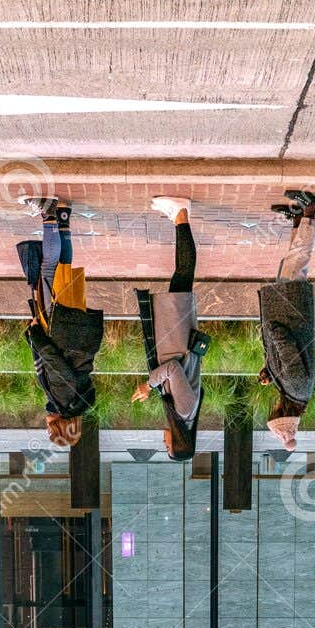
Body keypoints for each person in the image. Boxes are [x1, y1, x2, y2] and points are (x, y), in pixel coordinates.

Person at [17, 196, 103, 447]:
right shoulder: (64, 399)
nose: (45, 426)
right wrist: (35, 335)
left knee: (64, 270)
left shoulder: (77, 402)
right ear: (59, 426)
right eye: (49, 431)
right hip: (58, 329)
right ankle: (49, 215)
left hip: (75, 330)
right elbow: (54, 362)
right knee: (49, 269)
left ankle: (63, 217)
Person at [132, 197, 209, 460]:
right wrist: (148, 386)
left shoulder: (183, 414)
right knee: (183, 274)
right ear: (178, 441)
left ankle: (179, 217)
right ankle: (181, 213)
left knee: (181, 277)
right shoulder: (186, 411)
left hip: (175, 336)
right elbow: (173, 369)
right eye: (168, 447)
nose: (164, 443)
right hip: (177, 335)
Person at [257, 189, 315, 450]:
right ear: (282, 413)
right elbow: (287, 349)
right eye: (274, 412)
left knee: (289, 264)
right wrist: (271, 330)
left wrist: (268, 373)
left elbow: (279, 362)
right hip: (291, 311)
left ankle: (297, 219)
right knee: (298, 261)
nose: (273, 407)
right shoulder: (297, 387)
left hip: (287, 311)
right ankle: (310, 209)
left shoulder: (291, 391)